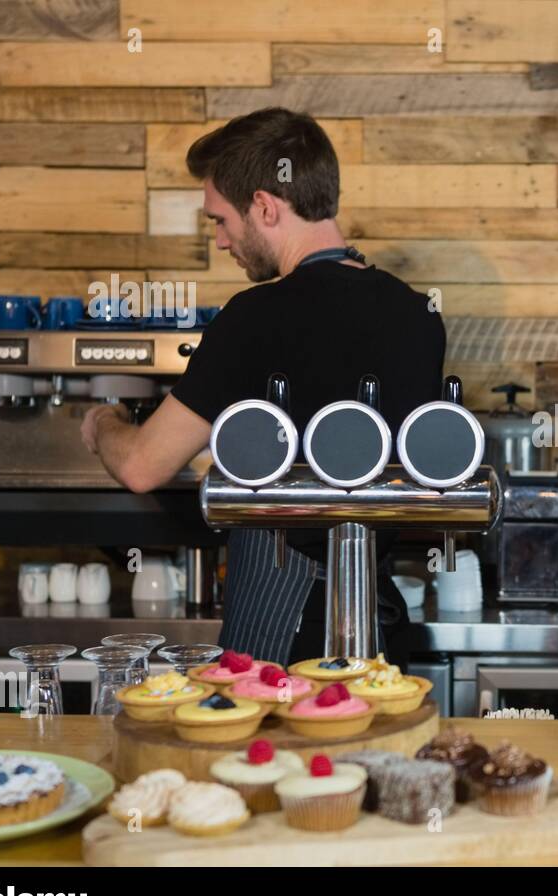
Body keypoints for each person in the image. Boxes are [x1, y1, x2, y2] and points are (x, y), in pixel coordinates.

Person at [82, 107, 445, 666]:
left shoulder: (256, 317)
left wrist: (103, 421)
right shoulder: (418, 315)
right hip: (374, 622)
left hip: (283, 631)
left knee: (264, 758)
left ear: (264, 206)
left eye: (221, 220)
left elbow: (142, 466)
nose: (222, 242)